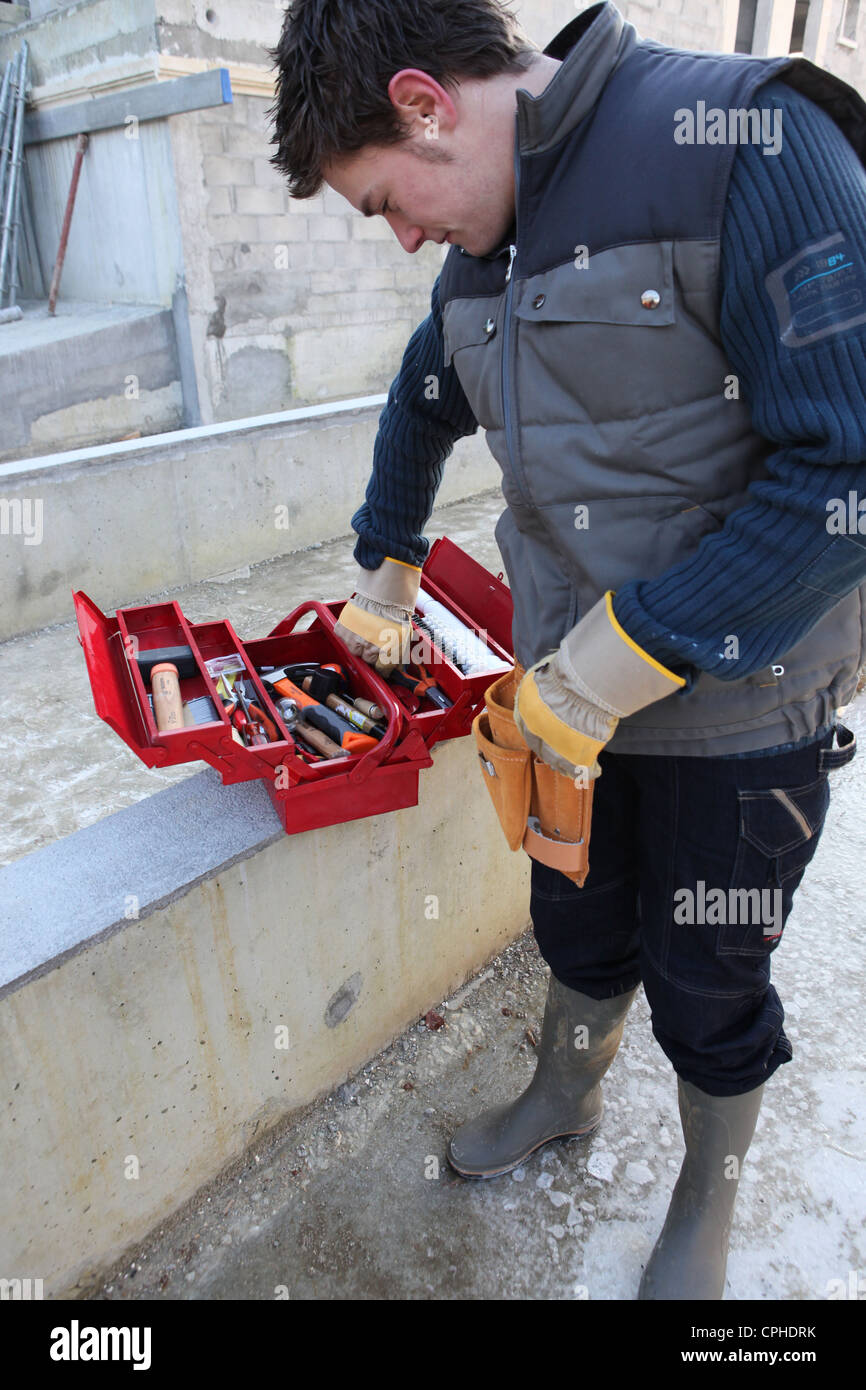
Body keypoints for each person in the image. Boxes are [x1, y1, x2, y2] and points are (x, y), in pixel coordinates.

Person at [267, 0, 865, 1299]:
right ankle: (562, 1089)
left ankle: (702, 1205)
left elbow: (848, 472)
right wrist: (388, 556)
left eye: (384, 205)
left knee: (706, 970)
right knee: (575, 920)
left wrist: (619, 659)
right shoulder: (480, 250)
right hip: (554, 710)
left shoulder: (746, 142)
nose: (406, 235)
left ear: (423, 103)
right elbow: (424, 392)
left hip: (739, 709)